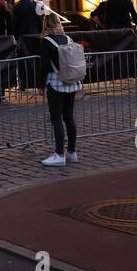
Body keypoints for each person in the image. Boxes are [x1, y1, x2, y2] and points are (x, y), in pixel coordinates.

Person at [39, 11, 81, 166]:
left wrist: (40, 83)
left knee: (56, 117)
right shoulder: (67, 38)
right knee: (69, 117)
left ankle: (58, 153)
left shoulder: (46, 41)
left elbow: (44, 65)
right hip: (71, 80)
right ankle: (72, 151)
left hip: (56, 81)